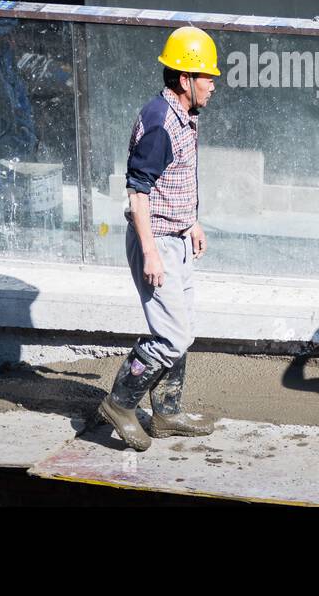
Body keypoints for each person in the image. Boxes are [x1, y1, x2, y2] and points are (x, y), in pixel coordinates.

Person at [93, 26, 220, 451]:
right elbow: (138, 192)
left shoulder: (184, 116)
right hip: (157, 243)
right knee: (171, 336)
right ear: (185, 79)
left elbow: (176, 180)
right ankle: (120, 404)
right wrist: (150, 252)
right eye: (207, 77)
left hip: (176, 236)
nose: (213, 84)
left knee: (183, 329)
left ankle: (165, 412)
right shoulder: (161, 123)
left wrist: (191, 222)